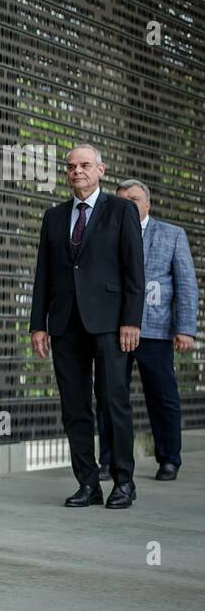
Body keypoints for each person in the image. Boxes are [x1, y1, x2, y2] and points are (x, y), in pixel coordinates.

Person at [30, 147, 144, 509]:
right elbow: (43, 276)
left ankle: (123, 482)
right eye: (71, 167)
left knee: (113, 401)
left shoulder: (121, 210)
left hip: (110, 323)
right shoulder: (54, 217)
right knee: (74, 407)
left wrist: (131, 320)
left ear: (100, 170)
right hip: (65, 324)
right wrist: (38, 325)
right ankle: (88, 483)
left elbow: (134, 272)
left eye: (84, 165)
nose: (77, 171)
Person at [95, 179, 197, 482]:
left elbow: (187, 285)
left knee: (162, 396)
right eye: (122, 200)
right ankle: (108, 461)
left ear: (147, 204)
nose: (128, 205)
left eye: (135, 199)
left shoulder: (172, 235)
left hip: (156, 330)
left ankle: (168, 459)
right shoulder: (104, 235)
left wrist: (186, 329)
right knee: (109, 396)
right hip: (113, 329)